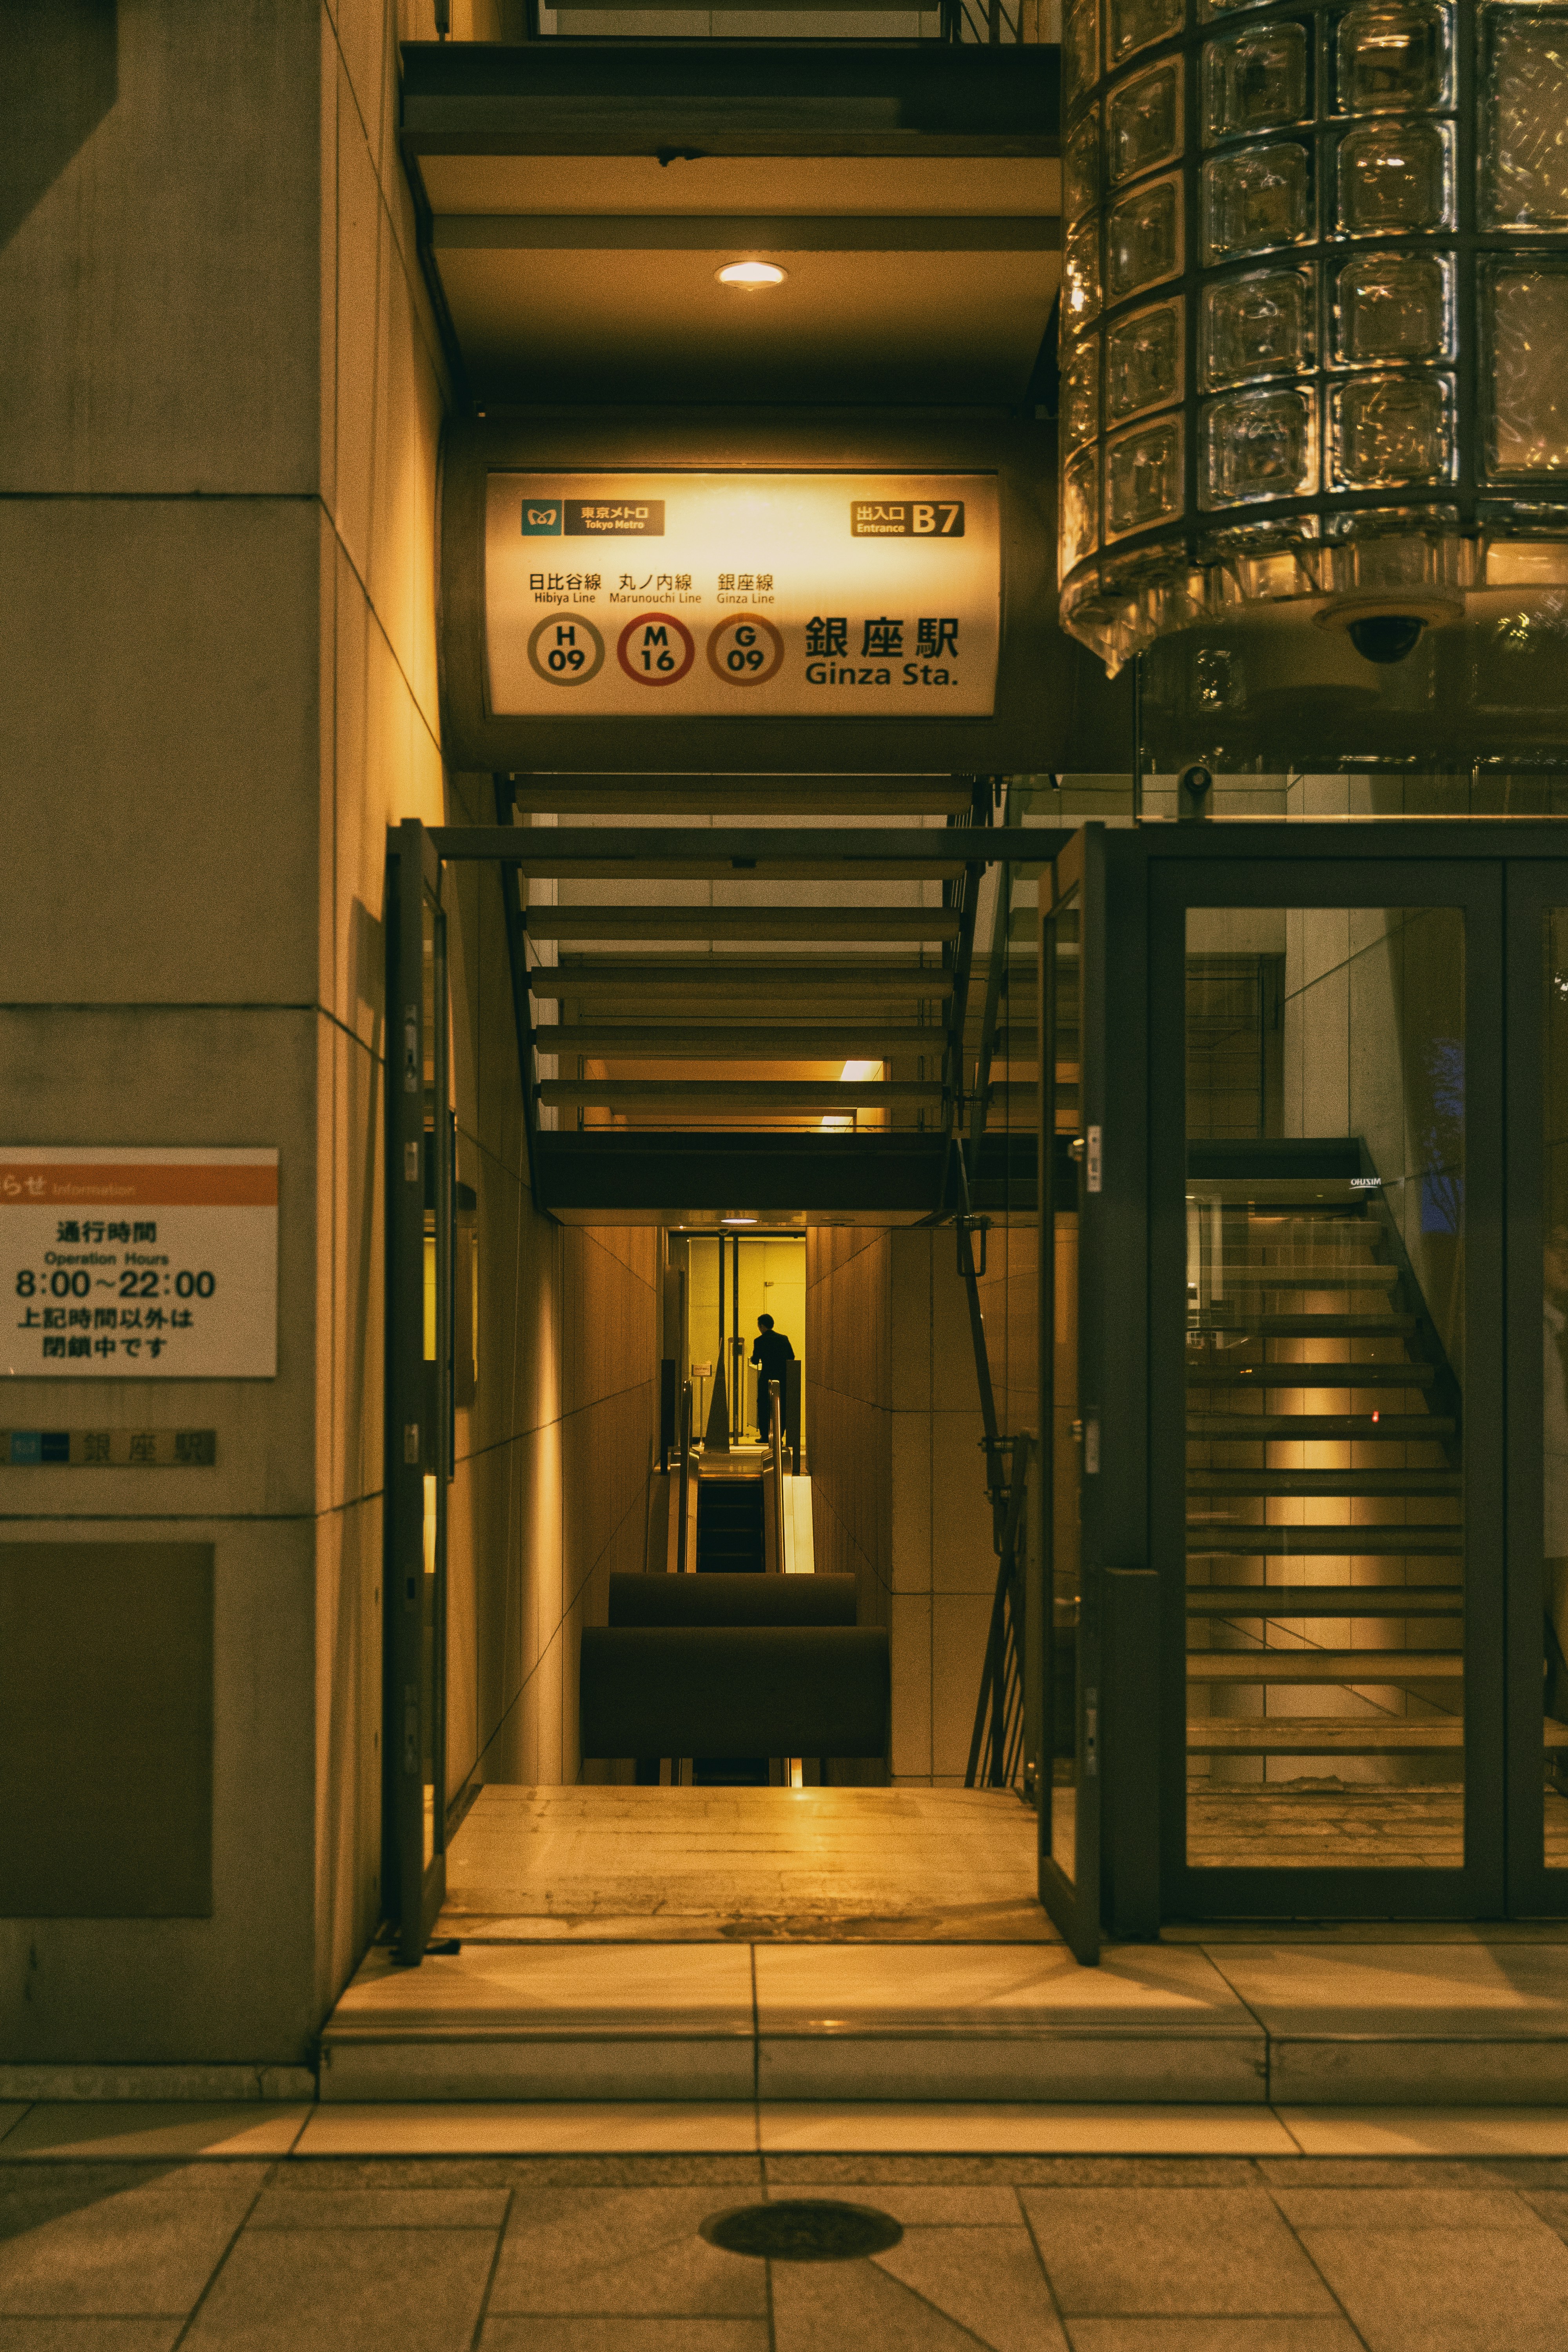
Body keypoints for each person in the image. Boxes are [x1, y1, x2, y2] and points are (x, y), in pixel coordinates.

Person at [750, 1312, 795, 1443]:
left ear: (762, 1326)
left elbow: (755, 1360)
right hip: (782, 1378)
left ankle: (765, 1436)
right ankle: (779, 1437)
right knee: (781, 1406)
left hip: (766, 1378)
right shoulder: (784, 1339)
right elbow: (791, 1357)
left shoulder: (759, 1341)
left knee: (764, 1406)